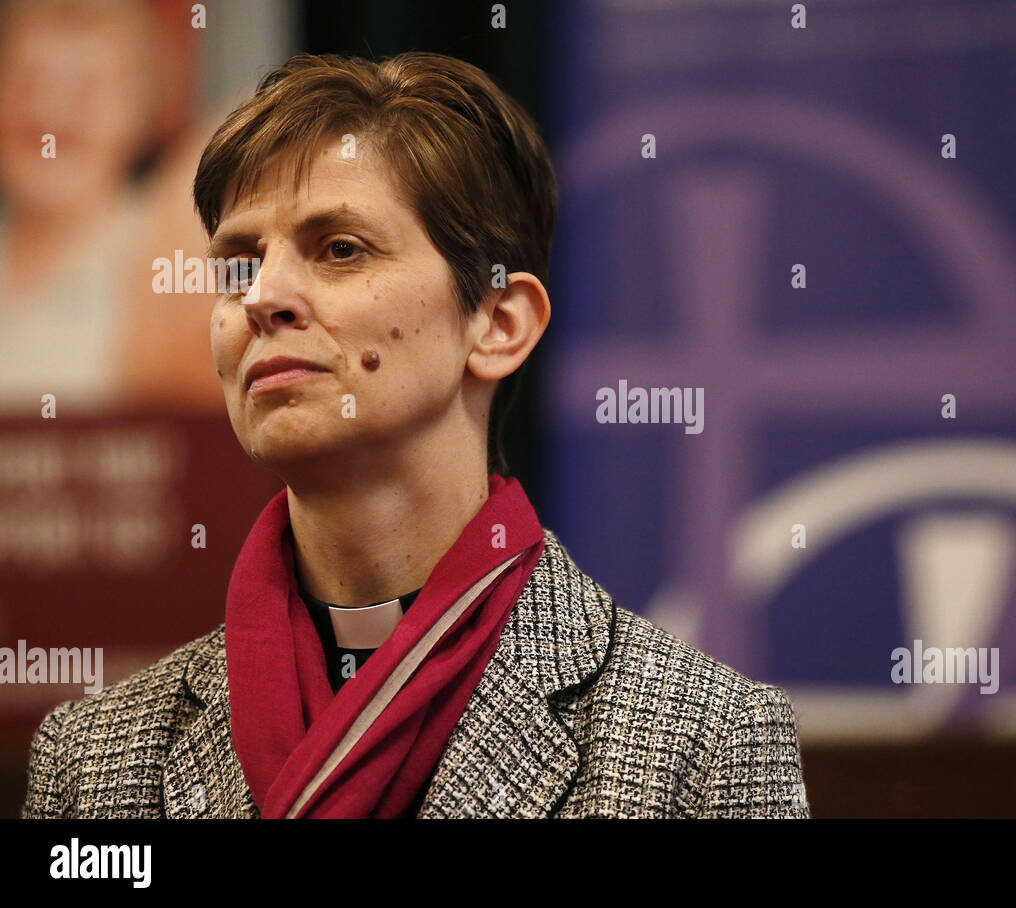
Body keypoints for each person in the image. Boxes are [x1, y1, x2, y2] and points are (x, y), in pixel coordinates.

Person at [21, 52, 809, 819]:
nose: (263, 297)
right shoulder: (93, 761)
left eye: (339, 249)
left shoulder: (702, 746)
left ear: (498, 324)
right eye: (237, 266)